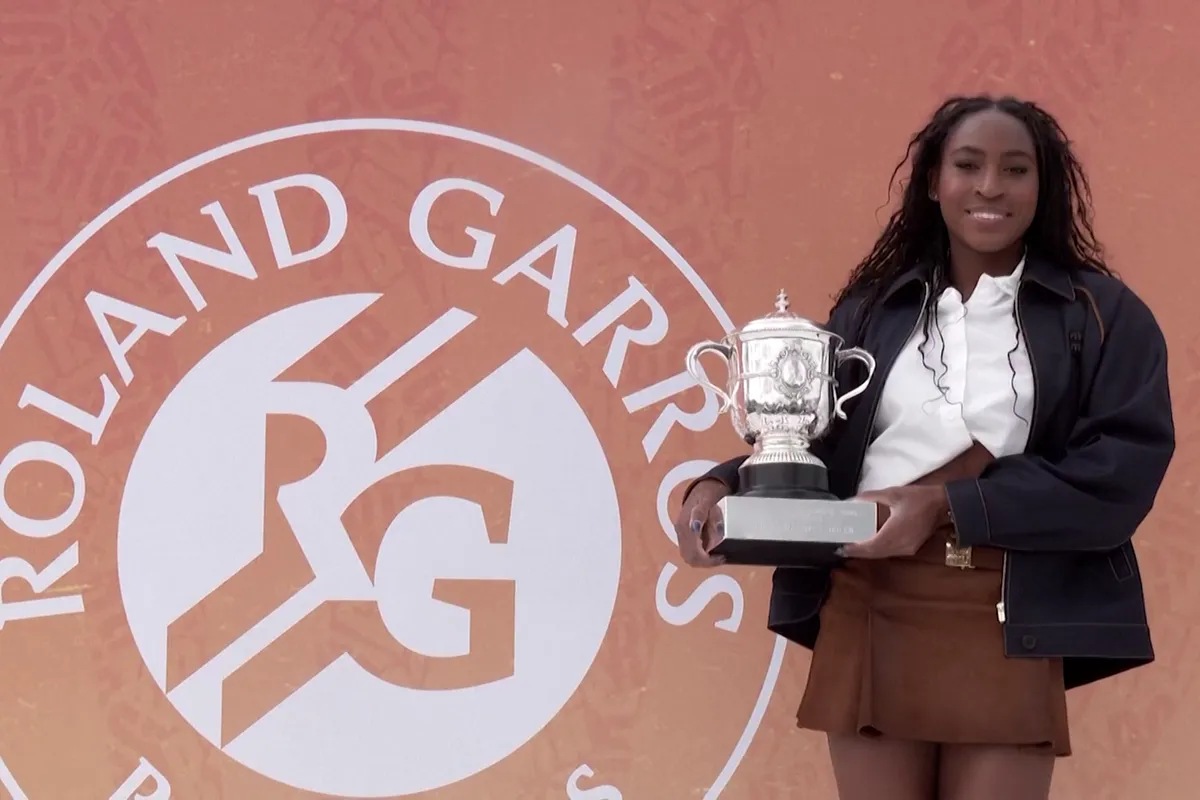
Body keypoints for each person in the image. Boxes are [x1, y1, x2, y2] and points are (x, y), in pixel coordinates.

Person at [674, 94, 1176, 800]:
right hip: (871, 598)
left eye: (1016, 169)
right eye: (967, 165)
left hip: (1007, 608)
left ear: (1045, 185)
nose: (990, 187)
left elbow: (1117, 480)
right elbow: (818, 436)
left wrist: (946, 505)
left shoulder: (1103, 315)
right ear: (934, 181)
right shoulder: (874, 309)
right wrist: (720, 484)